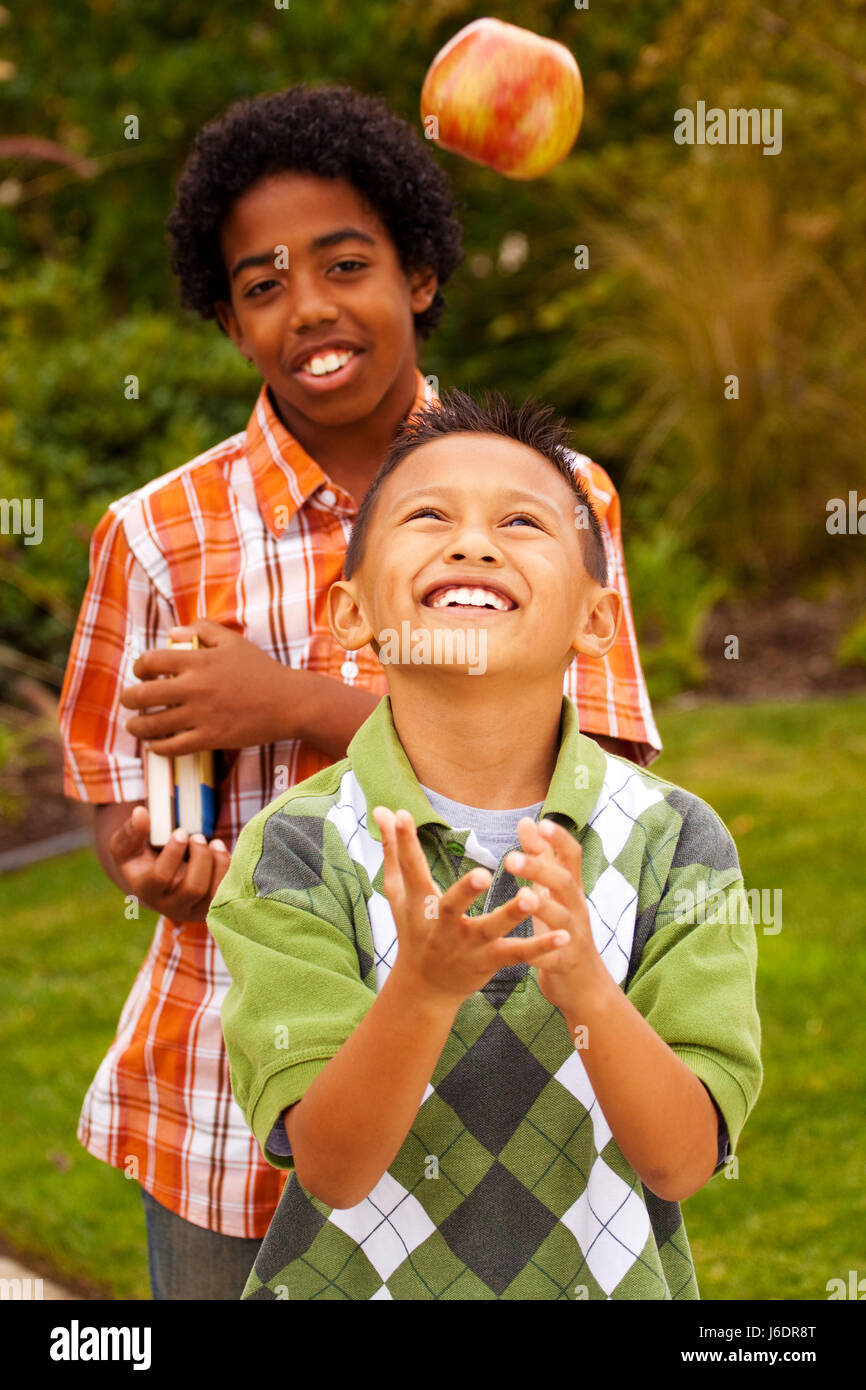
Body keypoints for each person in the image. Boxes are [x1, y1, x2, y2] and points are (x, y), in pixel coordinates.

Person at [58, 84, 660, 1301]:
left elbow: (606, 770)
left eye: (345, 263)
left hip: (504, 1075)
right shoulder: (157, 536)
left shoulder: (552, 497)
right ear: (228, 321)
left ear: (420, 274)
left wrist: (291, 702)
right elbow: (112, 782)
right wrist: (144, 862)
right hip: (236, 1090)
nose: (310, 309)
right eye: (262, 284)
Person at [207, 388, 762, 1301]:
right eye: (428, 516)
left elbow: (683, 1161)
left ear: (596, 621)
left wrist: (585, 983)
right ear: (352, 616)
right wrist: (422, 990)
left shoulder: (680, 842)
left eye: (520, 521)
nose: (472, 543)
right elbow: (334, 1169)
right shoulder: (294, 849)